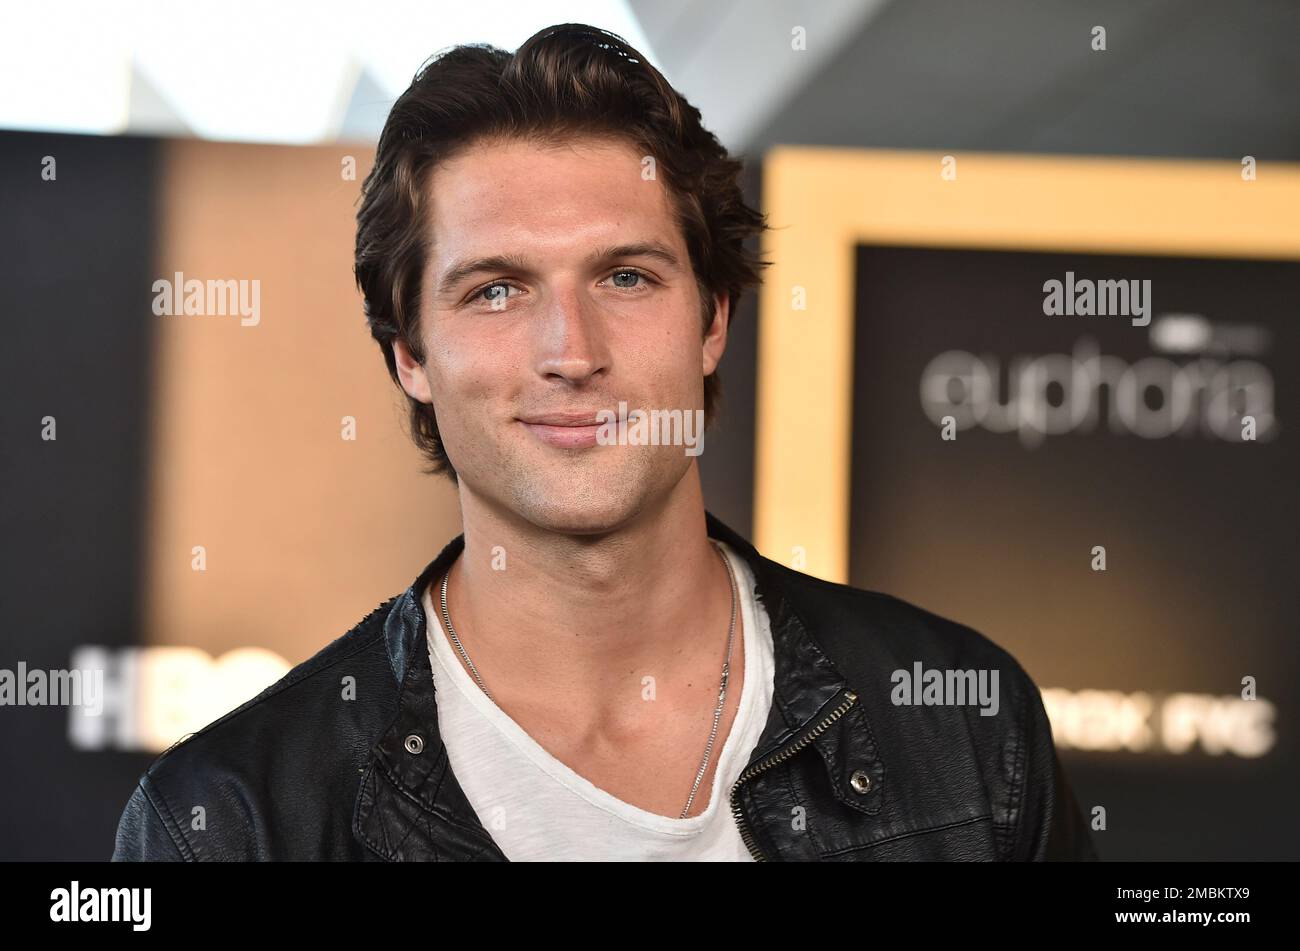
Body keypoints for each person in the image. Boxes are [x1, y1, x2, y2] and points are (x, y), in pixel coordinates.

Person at [112, 22, 1097, 862]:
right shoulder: (231, 821)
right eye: (496, 289)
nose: (569, 352)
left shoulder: (963, 725)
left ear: (711, 318)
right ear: (410, 352)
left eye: (625, 277)